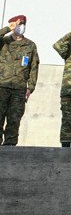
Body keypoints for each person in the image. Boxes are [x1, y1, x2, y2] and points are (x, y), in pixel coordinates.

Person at [0, 15, 39, 146]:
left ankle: (9, 150)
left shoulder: (30, 45)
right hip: (2, 86)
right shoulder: (4, 41)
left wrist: (30, 87)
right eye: (17, 24)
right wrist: (6, 29)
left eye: (22, 24)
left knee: (14, 120)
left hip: (19, 89)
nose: (20, 26)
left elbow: (34, 67)